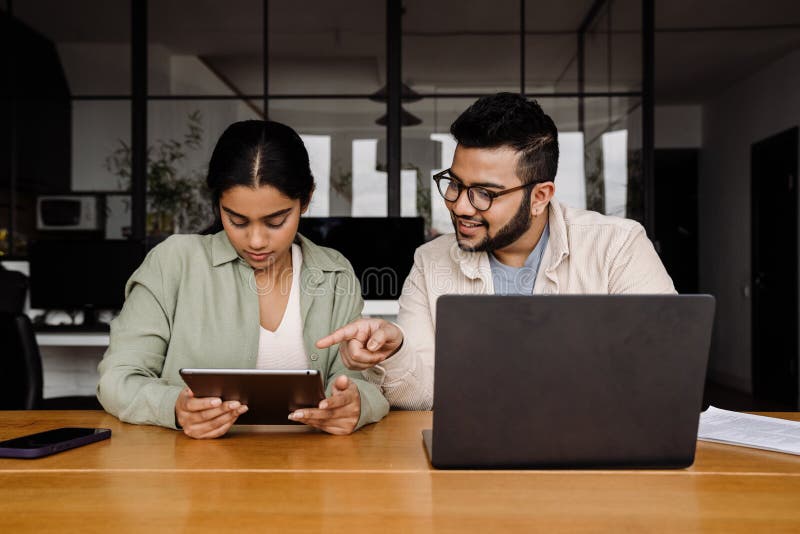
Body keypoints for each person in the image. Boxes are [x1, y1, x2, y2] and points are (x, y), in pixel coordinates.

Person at [316, 92, 676, 410]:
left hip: (591, 454)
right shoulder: (430, 263)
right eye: (454, 184)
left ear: (539, 197)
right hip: (471, 459)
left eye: (484, 193)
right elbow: (422, 394)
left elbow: (662, 368)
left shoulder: (617, 246)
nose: (460, 206)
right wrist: (394, 354)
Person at [97, 120, 388, 438]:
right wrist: (175, 408)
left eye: (276, 221)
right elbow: (117, 379)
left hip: (311, 474)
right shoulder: (173, 264)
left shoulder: (334, 272)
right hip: (194, 477)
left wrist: (354, 404)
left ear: (305, 200)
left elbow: (362, 383)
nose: (257, 241)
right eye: (236, 220)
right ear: (217, 204)